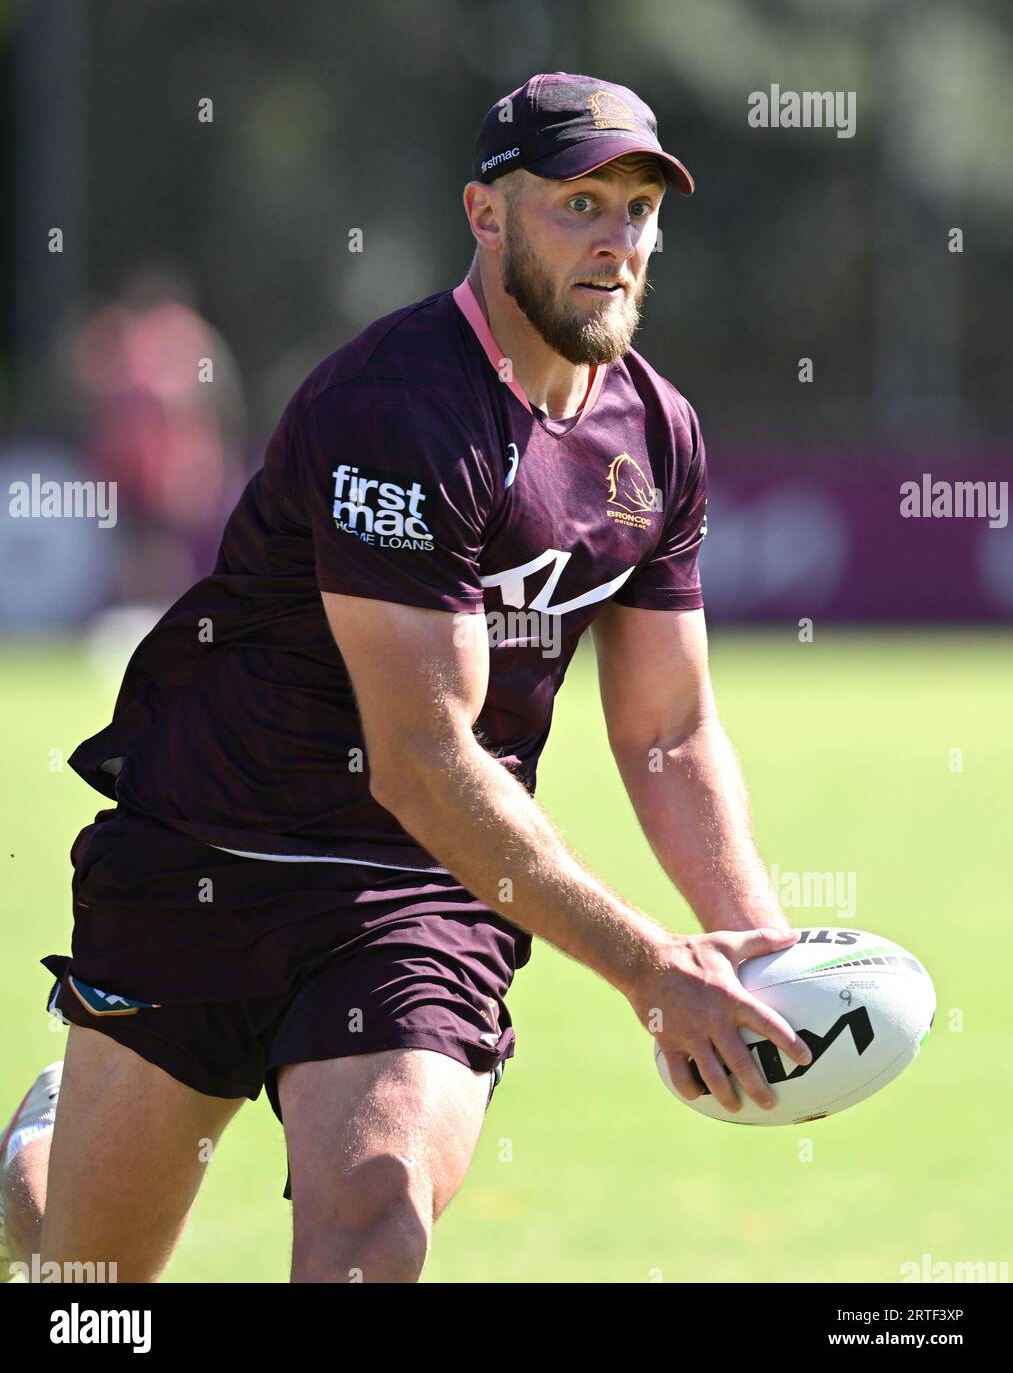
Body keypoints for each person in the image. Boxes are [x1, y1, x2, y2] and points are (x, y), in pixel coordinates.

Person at [3, 71, 811, 1286]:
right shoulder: (396, 405)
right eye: (578, 205)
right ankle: (41, 1156)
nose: (617, 242)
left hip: (414, 895)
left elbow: (671, 729)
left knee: (371, 1233)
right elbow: (422, 758)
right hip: (205, 859)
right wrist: (648, 968)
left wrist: (755, 953)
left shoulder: (656, 435)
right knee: (90, 1298)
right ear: (485, 217)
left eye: (638, 208)